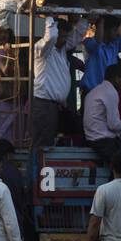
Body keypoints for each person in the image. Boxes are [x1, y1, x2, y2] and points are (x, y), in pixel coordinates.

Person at [30, 16, 89, 148]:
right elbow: (50, 38)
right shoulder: (42, 49)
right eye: (61, 37)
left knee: (49, 143)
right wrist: (50, 18)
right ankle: (37, 169)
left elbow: (77, 35)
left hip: (54, 106)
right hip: (44, 105)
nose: (63, 41)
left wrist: (84, 16)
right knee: (41, 145)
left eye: (65, 37)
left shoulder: (61, 49)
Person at [82, 64, 121, 161]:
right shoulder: (111, 92)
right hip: (102, 141)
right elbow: (113, 125)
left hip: (91, 138)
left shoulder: (95, 90)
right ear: (117, 78)